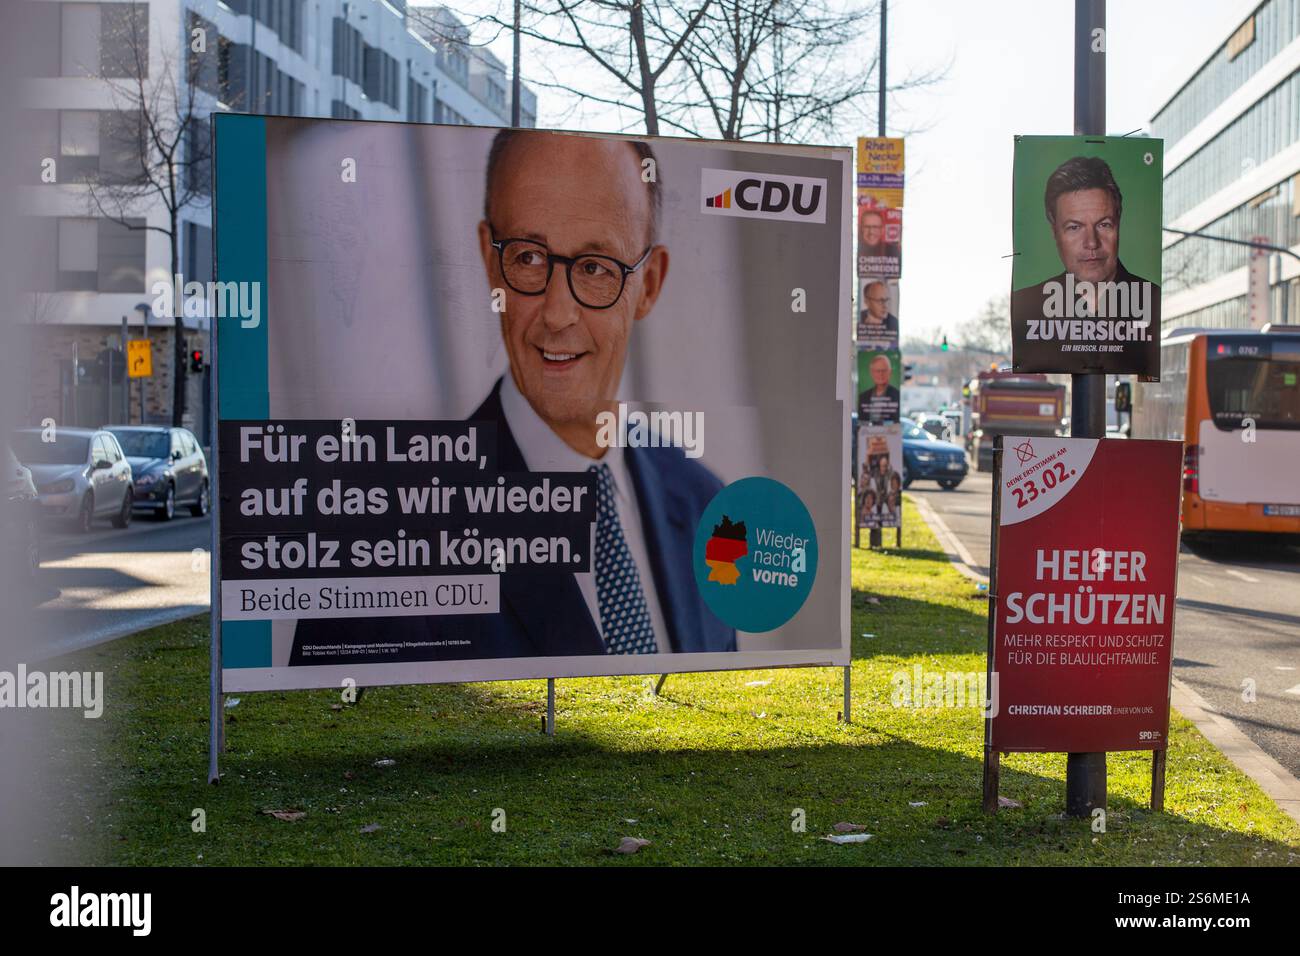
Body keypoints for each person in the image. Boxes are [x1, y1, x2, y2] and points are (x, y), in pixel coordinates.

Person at [292, 130, 735, 664]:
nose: (556, 313)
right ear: (488, 258)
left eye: (596, 268)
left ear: (650, 284)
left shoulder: (707, 503)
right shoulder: (383, 541)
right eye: (527, 258)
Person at [1011, 155, 1160, 373]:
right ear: (1055, 232)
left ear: (1119, 224)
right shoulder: (1028, 305)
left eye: (1104, 224)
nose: (1091, 242)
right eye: (1074, 227)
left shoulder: (1152, 299)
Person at [858, 353, 900, 424]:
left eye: (884, 370)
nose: (881, 374)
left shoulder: (896, 395)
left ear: (890, 372)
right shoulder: (863, 397)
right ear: (872, 373)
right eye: (877, 371)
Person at [858, 209, 901, 276]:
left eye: (875, 227)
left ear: (882, 230)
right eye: (867, 227)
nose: (871, 232)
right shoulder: (854, 250)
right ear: (861, 229)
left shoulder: (893, 250)